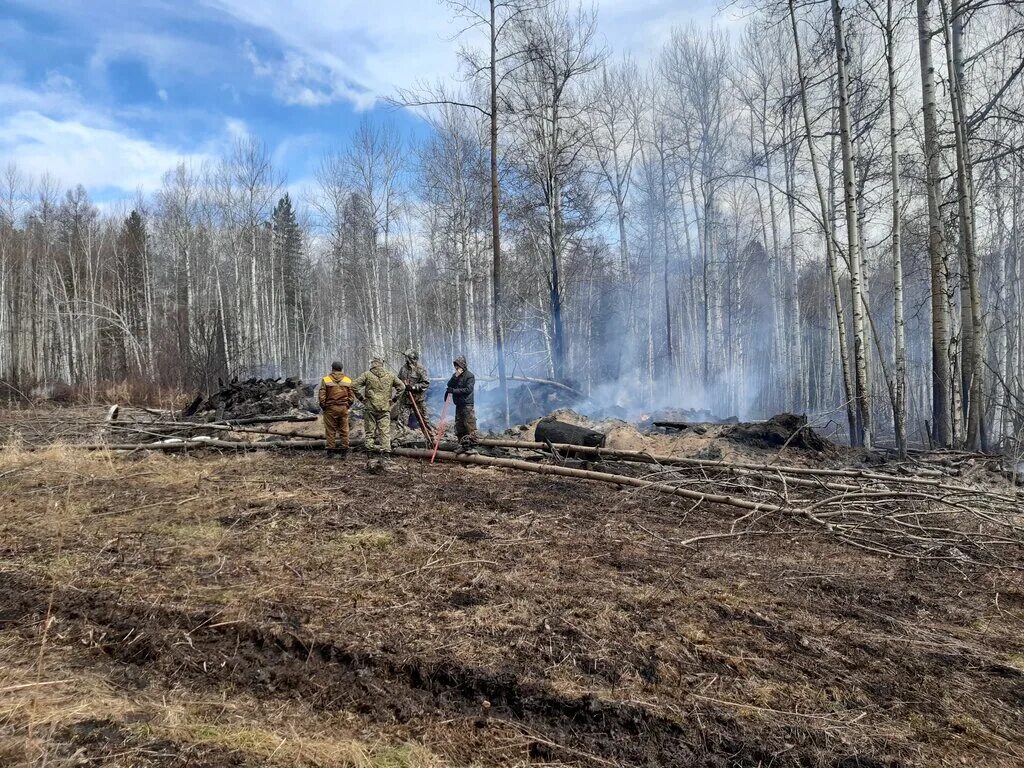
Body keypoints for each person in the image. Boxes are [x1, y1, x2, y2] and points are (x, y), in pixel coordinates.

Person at [352, 357, 406, 469]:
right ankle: (386, 455)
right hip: (385, 408)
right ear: (381, 364)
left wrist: (361, 399)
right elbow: (402, 386)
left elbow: (353, 386)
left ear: (372, 364)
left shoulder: (367, 375)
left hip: (370, 408)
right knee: (385, 432)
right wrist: (395, 399)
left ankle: (370, 455)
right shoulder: (390, 375)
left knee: (370, 431)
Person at [318, 361, 354, 458]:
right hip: (343, 408)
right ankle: (344, 452)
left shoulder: (326, 379)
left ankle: (330, 452)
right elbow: (351, 395)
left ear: (332, 368)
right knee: (344, 430)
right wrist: (347, 405)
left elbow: (322, 394)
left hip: (330, 408)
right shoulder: (347, 380)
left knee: (330, 430)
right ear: (341, 369)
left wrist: (324, 406)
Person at [398, 348, 433, 439]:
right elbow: (398, 380)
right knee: (401, 421)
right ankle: (399, 440)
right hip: (405, 400)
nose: (407, 360)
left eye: (408, 358)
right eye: (406, 358)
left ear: (413, 358)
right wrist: (402, 385)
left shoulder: (420, 369)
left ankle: (430, 438)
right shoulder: (403, 369)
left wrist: (413, 387)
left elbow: (425, 383)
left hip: (418, 400)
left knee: (424, 420)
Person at [445, 355, 478, 452]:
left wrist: (454, 391)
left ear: (463, 365)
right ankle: (462, 445)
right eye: (455, 365)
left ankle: (473, 446)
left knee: (469, 425)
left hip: (467, 404)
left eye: (458, 365)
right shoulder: (456, 375)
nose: (456, 367)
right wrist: (455, 376)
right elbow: (449, 384)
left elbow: (468, 390)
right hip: (458, 404)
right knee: (459, 425)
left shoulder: (470, 376)